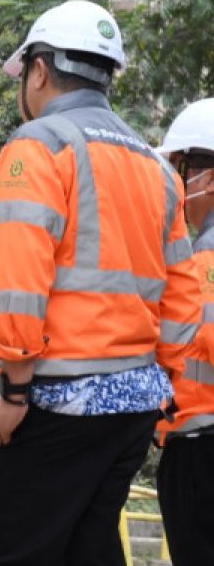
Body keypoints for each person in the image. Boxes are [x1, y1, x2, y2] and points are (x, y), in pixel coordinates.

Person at [0, 0, 205, 565]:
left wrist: (14, 390)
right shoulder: (153, 166)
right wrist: (159, 383)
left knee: (1, 541)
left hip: (52, 401)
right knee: (87, 549)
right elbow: (181, 293)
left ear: (39, 70)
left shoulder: (40, 145)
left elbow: (19, 278)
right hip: (131, 405)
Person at [154, 98, 214, 565]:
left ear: (207, 178)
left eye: (179, 169)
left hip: (201, 455)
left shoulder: (203, 265)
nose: (174, 185)